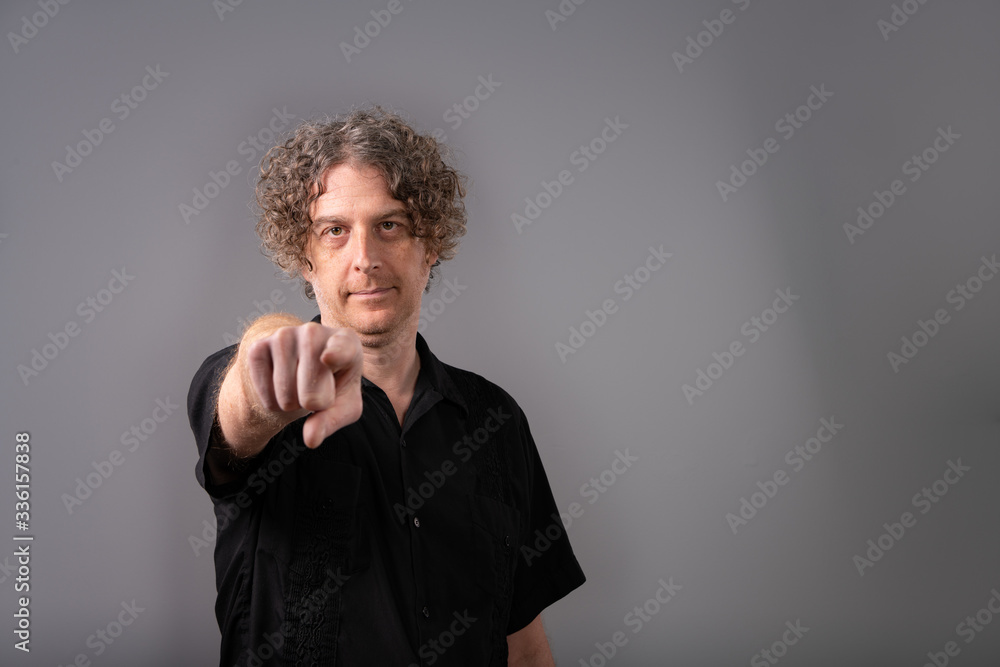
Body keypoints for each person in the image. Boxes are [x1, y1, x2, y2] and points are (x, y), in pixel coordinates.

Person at [186, 105, 586, 666]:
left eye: (389, 225)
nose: (365, 259)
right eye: (334, 231)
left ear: (430, 246)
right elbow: (250, 394)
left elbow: (525, 649)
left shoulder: (495, 419)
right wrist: (275, 348)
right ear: (305, 258)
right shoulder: (268, 386)